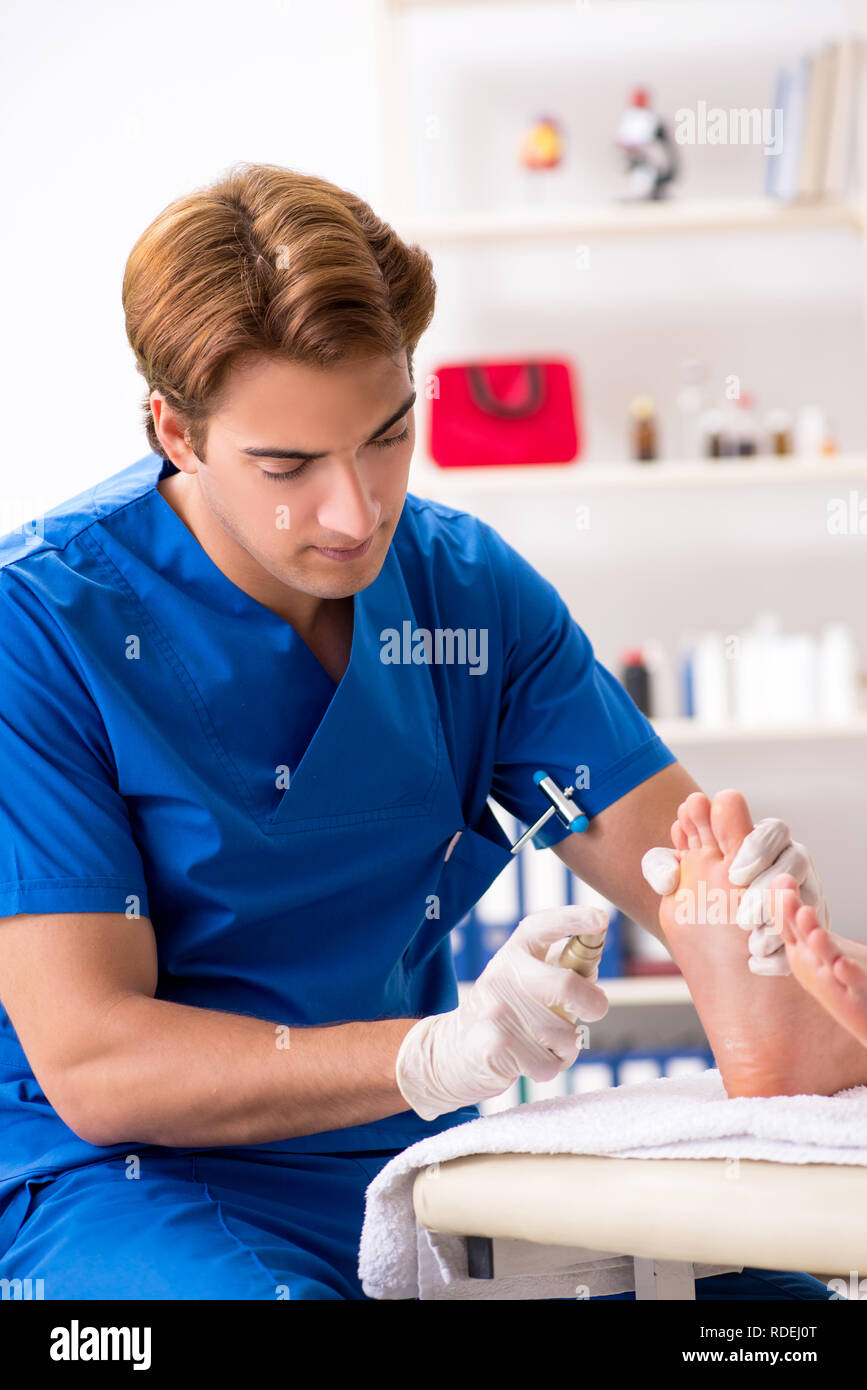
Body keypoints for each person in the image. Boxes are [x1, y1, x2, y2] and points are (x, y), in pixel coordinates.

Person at [0, 163, 849, 1301]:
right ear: (177, 433)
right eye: (289, 466)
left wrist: (751, 928)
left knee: (767, 1320)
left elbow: (670, 863)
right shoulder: (44, 625)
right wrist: (430, 1053)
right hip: (123, 1186)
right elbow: (98, 1061)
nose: (358, 513)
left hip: (412, 1169)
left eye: (389, 434)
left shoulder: (466, 592)